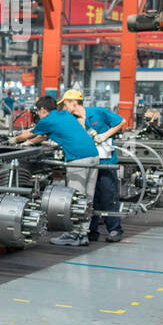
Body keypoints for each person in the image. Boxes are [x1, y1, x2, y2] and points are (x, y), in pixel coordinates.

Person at [10, 92, 100, 246]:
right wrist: (31, 143)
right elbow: (45, 135)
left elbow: (28, 134)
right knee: (87, 198)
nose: (39, 115)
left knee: (76, 197)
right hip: (93, 155)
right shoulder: (64, 114)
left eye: (38, 112)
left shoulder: (48, 120)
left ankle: (73, 235)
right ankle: (83, 234)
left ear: (43, 110)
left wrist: (14, 139)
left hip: (78, 158)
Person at [62, 88, 125, 243]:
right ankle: (91, 230)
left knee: (108, 196)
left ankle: (115, 230)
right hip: (88, 163)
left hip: (105, 163)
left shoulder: (97, 112)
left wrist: (105, 135)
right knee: (90, 199)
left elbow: (121, 121)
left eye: (65, 104)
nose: (64, 108)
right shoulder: (73, 121)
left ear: (73, 102)